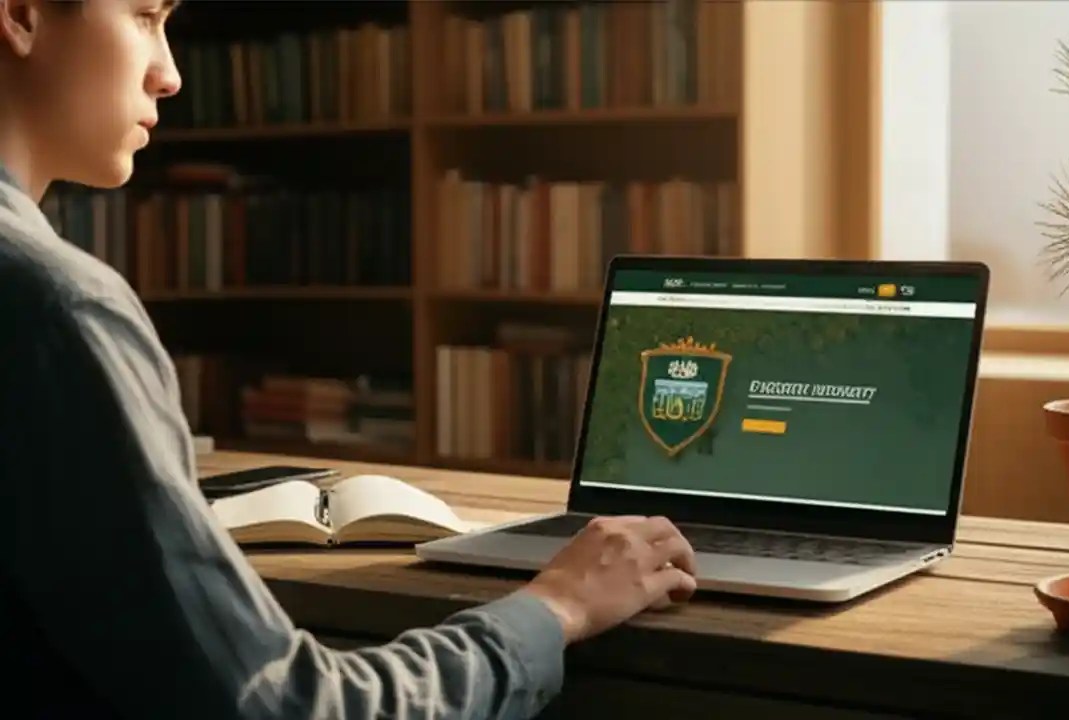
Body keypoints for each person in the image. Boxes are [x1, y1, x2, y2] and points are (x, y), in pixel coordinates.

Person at [0, 1, 698, 718]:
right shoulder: (58, 309)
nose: (171, 75)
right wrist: (555, 607)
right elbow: (294, 710)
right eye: (146, 15)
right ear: (21, 14)